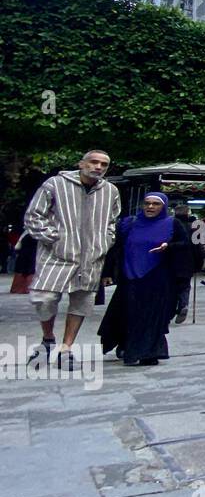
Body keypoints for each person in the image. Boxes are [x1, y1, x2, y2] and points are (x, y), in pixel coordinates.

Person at [23, 150, 122, 371]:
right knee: (44, 298)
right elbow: (33, 216)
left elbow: (112, 221)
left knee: (81, 302)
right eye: (94, 162)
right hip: (55, 255)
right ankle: (48, 338)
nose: (98, 167)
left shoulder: (110, 191)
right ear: (81, 163)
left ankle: (66, 348)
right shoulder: (55, 184)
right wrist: (54, 238)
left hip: (91, 258)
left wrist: (105, 242)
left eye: (104, 164)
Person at [97, 193, 190, 365]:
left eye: (156, 204)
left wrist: (168, 246)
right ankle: (127, 345)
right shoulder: (129, 223)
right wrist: (107, 272)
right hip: (130, 278)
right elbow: (116, 247)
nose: (151, 207)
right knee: (128, 314)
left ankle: (148, 352)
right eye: (147, 203)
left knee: (151, 316)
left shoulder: (172, 224)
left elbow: (185, 245)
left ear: (163, 207)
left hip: (158, 278)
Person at [171, 204, 203, 324]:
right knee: (184, 286)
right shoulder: (195, 227)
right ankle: (183, 305)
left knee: (171, 286)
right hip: (188, 261)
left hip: (171, 260)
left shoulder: (170, 225)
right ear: (188, 213)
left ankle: (171, 309)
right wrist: (198, 263)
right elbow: (199, 247)